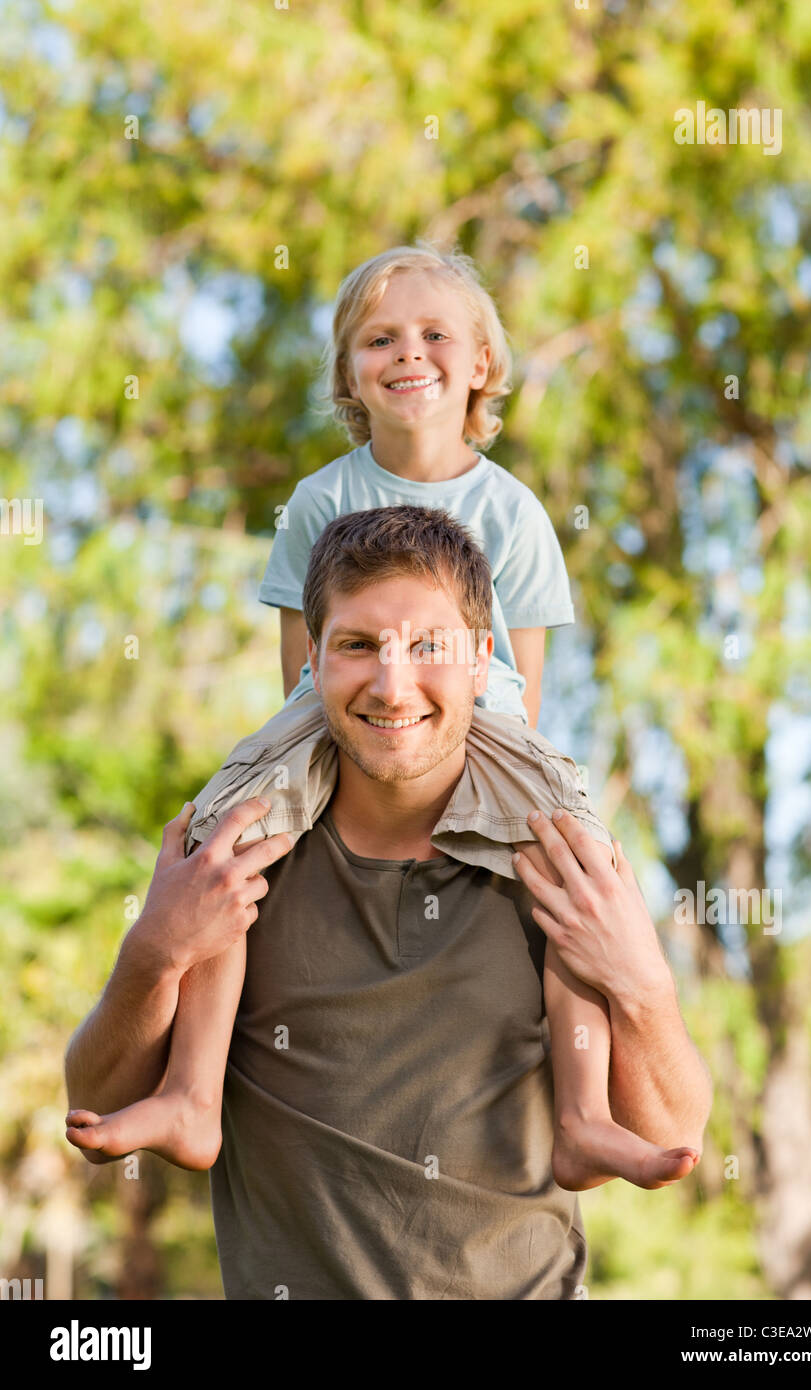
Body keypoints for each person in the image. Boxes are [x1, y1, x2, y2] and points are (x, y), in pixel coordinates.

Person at [65, 241, 703, 1193]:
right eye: (380, 339)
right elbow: (305, 669)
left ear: (480, 364)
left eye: (436, 334)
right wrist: (264, 804)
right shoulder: (319, 500)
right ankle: (192, 1095)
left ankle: (582, 1118)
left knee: (574, 869)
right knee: (225, 844)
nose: (410, 353)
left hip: (486, 732)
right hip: (318, 723)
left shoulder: (515, 512)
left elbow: (520, 685)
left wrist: (521, 796)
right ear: (350, 373)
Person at [65, 506, 712, 1299]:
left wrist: (644, 983)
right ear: (315, 658)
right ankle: (190, 1100)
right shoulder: (235, 869)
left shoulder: (559, 864)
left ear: (482, 660)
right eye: (358, 645)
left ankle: (582, 1125)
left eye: (428, 646)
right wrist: (155, 949)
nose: (391, 683)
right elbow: (96, 1105)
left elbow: (675, 1138)